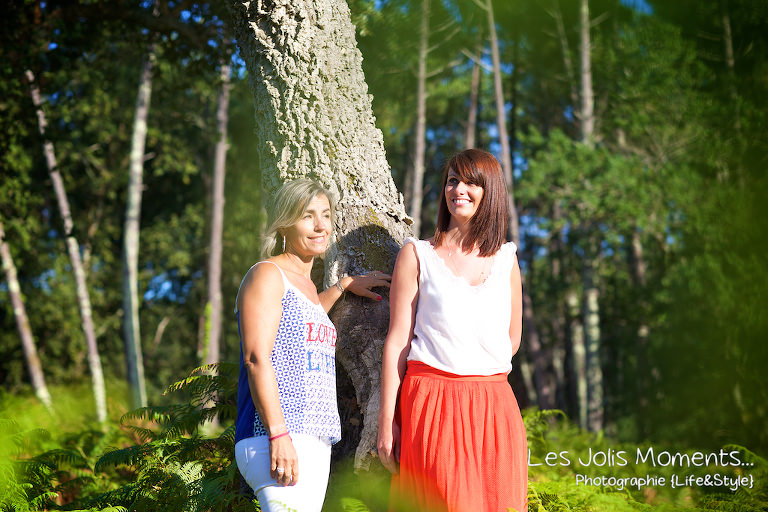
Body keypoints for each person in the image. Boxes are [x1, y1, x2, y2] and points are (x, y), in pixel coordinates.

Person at [377, 149, 528, 512]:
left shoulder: (506, 259)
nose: (458, 189)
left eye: (471, 182)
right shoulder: (417, 255)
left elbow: (512, 338)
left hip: (495, 406)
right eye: (452, 180)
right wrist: (386, 421)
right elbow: (397, 342)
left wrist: (478, 370)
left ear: (490, 191)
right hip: (433, 401)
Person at [234, 179, 391, 512]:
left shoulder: (303, 284)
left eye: (326, 215)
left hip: (314, 437)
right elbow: (256, 358)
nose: (321, 226)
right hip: (274, 435)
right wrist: (278, 435)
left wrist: (344, 285)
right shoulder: (267, 275)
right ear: (284, 223)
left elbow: (305, 317)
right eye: (308, 216)